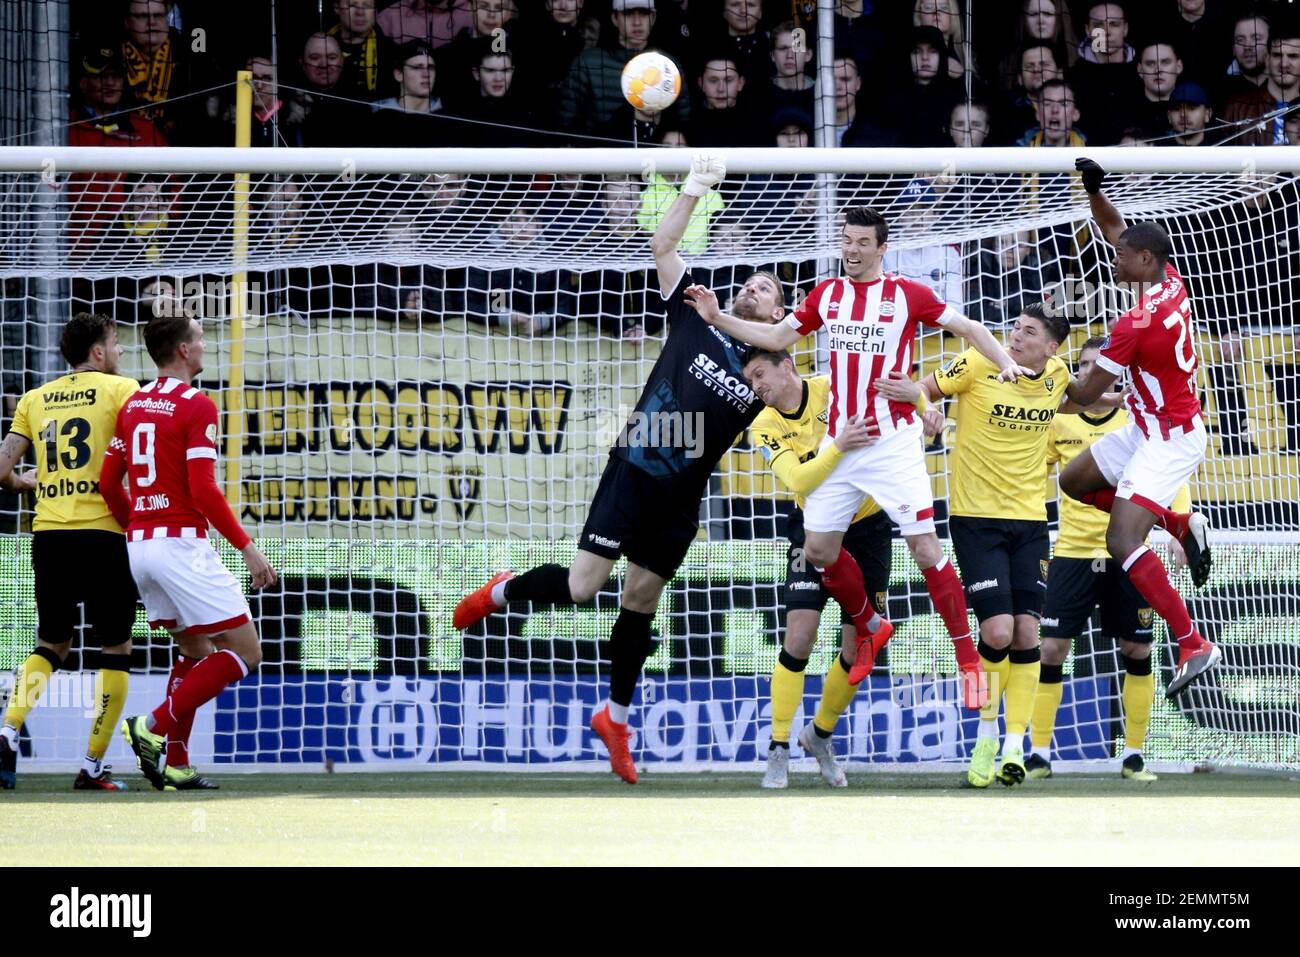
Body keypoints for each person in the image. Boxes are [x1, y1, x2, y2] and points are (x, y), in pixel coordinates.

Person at [453, 155, 784, 784]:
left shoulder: (777, 363)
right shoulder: (696, 311)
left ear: (779, 314)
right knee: (584, 589)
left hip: (683, 497)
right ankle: (502, 591)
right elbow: (661, 243)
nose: (752, 287)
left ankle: (616, 717)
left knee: (640, 599)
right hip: (636, 466)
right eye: (751, 281)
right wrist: (692, 187)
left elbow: (805, 393)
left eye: (766, 288)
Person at [682, 204, 1033, 709]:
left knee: (927, 550)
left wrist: (1004, 364)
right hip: (845, 438)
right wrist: (718, 318)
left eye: (861, 242)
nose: (851, 249)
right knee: (819, 550)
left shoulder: (908, 294)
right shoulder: (828, 294)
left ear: (881, 248)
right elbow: (778, 337)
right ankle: (870, 621)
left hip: (893, 440)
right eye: (846, 240)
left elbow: (972, 330)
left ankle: (969, 661)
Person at [877, 303, 1097, 786]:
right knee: (996, 632)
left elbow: (1084, 400)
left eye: (1028, 332)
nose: (1015, 337)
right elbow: (924, 390)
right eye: (1014, 328)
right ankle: (984, 733)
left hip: (1031, 521)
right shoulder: (979, 360)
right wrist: (926, 411)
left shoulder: (1059, 376)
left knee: (1025, 635)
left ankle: (1015, 748)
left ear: (1051, 347)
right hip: (976, 519)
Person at [745, 348, 942, 789]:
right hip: (814, 525)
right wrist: (839, 446)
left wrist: (926, 408)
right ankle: (778, 748)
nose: (757, 385)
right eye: (751, 380)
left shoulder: (834, 388)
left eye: (761, 374)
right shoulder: (763, 424)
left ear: (788, 366)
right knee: (800, 633)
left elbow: (903, 395)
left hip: (869, 524)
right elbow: (799, 481)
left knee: (861, 647)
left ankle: (818, 735)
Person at [1061, 157, 1219, 699]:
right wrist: (1095, 190)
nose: (1114, 257)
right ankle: (1178, 524)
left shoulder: (1135, 325)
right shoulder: (1168, 281)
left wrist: (1036, 373)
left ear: (1144, 260)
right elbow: (1114, 228)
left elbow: (1083, 397)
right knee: (1074, 481)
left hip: (1171, 436)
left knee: (1122, 538)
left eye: (1123, 256)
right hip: (1150, 423)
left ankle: (1193, 641)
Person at [102, 315, 277, 790]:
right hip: (180, 544)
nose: (203, 346)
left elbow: (107, 483)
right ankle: (151, 726)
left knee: (195, 650)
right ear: (182, 350)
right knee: (245, 651)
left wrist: (139, 528)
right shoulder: (197, 405)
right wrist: (248, 548)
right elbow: (202, 490)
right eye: (199, 339)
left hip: (141, 545)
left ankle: (176, 764)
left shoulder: (134, 402)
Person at [1028, 336, 1191, 782]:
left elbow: (1168, 472)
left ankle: (1134, 755)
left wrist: (1181, 524)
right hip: (1073, 552)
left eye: (1094, 367)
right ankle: (1039, 754)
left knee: (1137, 649)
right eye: (1081, 367)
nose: (1086, 374)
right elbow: (1034, 472)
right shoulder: (1059, 424)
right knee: (1052, 649)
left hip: (1128, 553)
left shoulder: (1135, 423)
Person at [0, 314, 139, 791]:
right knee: (116, 650)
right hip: (105, 536)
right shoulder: (123, 391)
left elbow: (2, 470)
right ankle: (93, 765)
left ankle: (7, 727)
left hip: (51, 537)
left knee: (51, 645)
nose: (121, 352)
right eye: (117, 344)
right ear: (98, 352)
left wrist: (24, 483)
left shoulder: (34, 400)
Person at [1071, 2, 1141, 144]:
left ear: (1125, 29)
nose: (1107, 32)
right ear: (1087, 30)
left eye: (1114, 24)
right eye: (1098, 25)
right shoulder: (1072, 77)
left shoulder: (1142, 72)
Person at [1221, 25, 1300, 146]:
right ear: (1267, 59)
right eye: (1277, 55)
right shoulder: (1236, 108)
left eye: (1293, 56)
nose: (1284, 64)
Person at [1132, 41, 1185, 139]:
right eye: (1150, 63)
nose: (1158, 70)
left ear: (1178, 67)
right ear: (1140, 70)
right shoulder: (1124, 115)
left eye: (1165, 62)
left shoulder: (1194, 114)